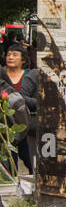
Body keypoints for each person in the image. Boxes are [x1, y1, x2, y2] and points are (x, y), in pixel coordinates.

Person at [1, 37, 36, 173]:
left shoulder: (30, 75)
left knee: (27, 156)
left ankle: (33, 176)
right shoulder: (2, 72)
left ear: (23, 59)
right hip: (8, 121)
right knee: (10, 155)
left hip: (24, 121)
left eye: (15, 55)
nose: (10, 57)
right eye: (8, 54)